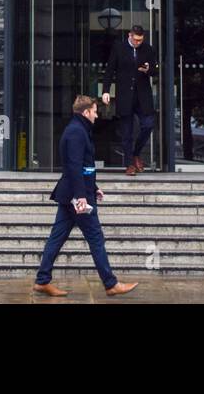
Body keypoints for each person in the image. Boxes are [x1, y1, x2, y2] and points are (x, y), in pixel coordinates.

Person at [33, 95, 138, 298]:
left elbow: (84, 165)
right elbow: (73, 166)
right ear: (86, 112)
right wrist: (82, 196)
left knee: (57, 237)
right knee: (96, 238)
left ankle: (42, 280)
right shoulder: (76, 132)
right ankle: (110, 283)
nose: (97, 115)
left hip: (73, 193)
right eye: (95, 111)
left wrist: (94, 186)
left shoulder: (79, 129)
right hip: (77, 196)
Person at [102, 24, 158, 174]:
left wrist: (148, 70)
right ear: (130, 36)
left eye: (140, 40)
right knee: (127, 132)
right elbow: (109, 70)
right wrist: (106, 91)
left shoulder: (148, 49)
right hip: (125, 95)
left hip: (143, 95)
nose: (138, 43)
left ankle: (135, 153)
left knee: (148, 124)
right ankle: (129, 164)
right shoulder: (119, 48)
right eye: (135, 40)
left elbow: (154, 70)